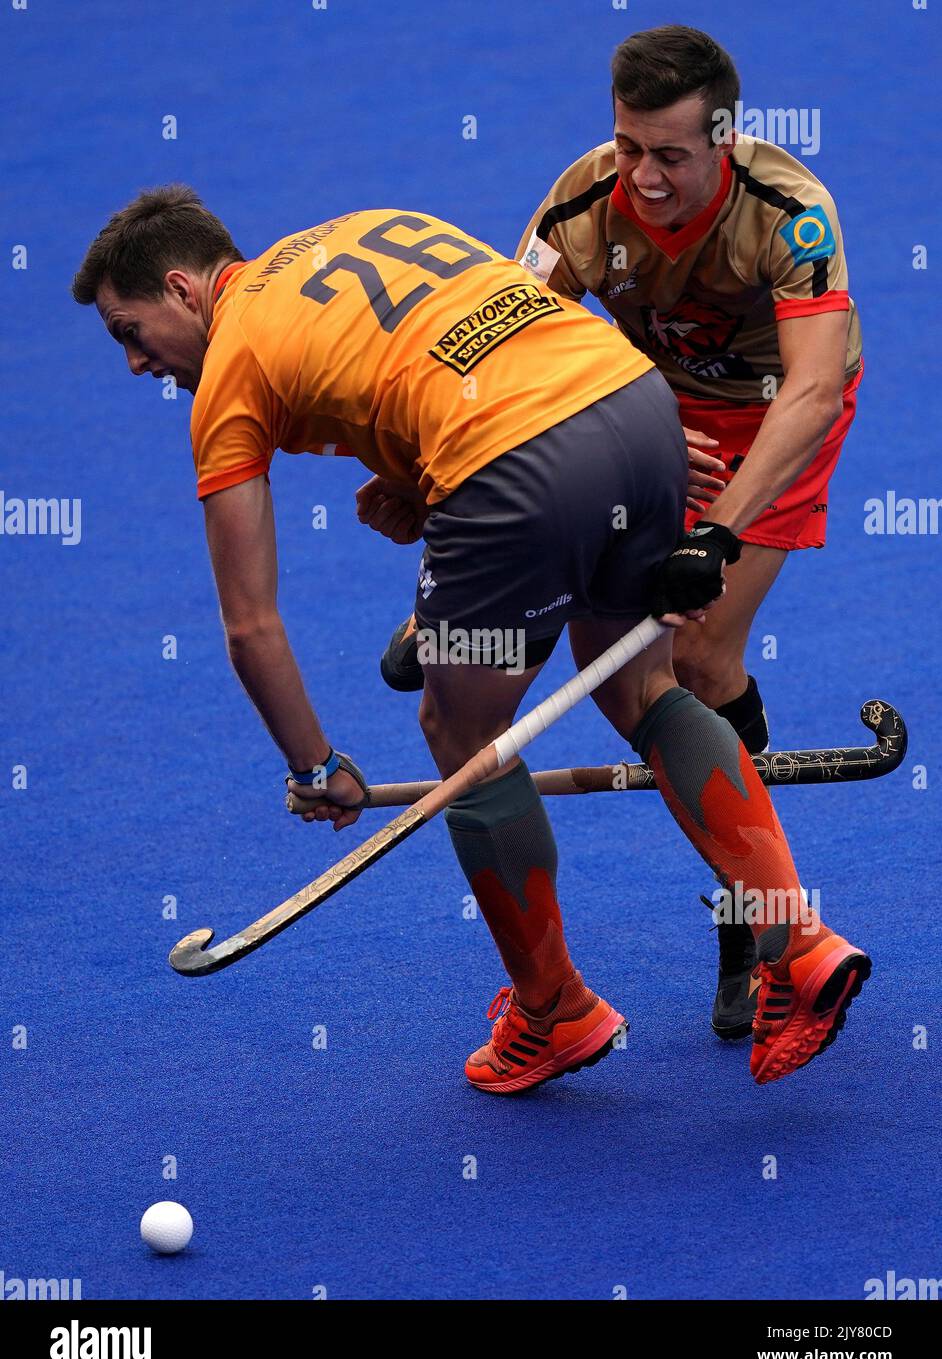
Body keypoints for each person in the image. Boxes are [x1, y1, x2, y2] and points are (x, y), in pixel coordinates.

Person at [72, 187, 869, 1093]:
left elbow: (250, 625)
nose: (137, 363)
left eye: (127, 331)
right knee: (644, 692)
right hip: (636, 408)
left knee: (463, 738)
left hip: (514, 474)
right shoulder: (360, 223)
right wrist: (565, 454)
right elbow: (455, 344)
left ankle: (554, 1011)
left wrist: (313, 765)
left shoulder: (228, 376)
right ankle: (798, 945)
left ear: (183, 289)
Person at [379, 24, 863, 1042]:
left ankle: (757, 928)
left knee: (690, 650)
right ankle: (461, 614)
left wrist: (713, 536)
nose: (641, 175)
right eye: (628, 146)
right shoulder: (581, 201)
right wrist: (436, 520)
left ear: (725, 142)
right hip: (639, 408)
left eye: (670, 156)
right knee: (564, 524)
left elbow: (814, 388)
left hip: (772, 416)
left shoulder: (791, 214)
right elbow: (497, 374)